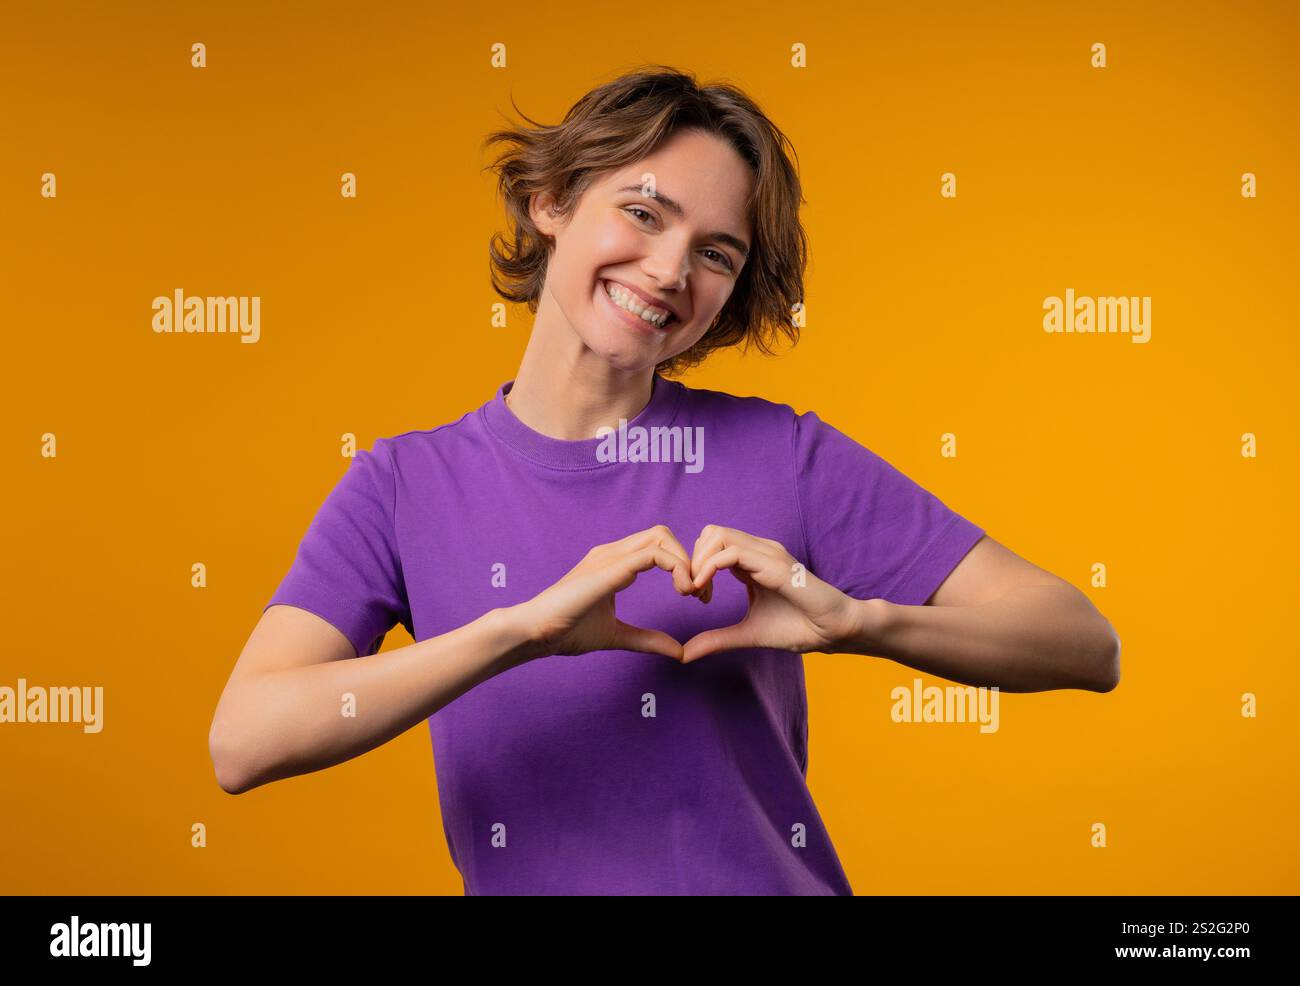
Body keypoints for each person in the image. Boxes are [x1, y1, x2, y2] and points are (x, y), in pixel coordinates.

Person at [208, 65, 1121, 896]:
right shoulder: (402, 487)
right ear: (551, 201)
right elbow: (244, 741)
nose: (671, 269)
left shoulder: (784, 456)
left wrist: (861, 622)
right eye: (644, 213)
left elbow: (1082, 642)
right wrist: (518, 632)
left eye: (717, 253)